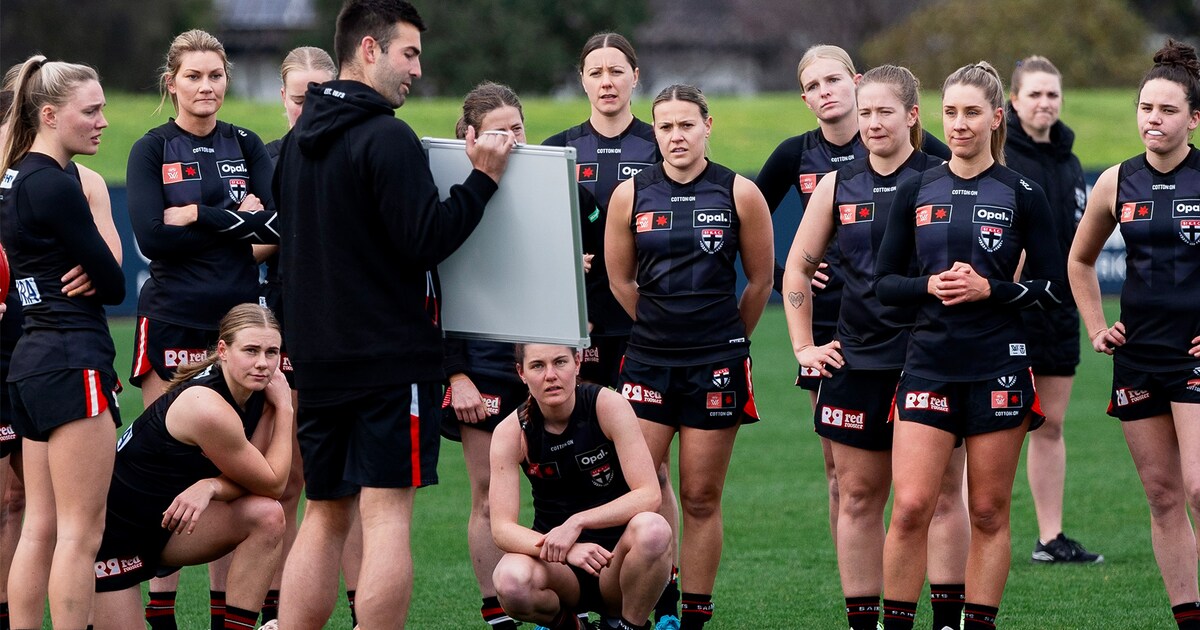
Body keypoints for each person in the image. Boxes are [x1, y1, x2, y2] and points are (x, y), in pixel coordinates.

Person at [272, 2, 514, 628]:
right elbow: (425, 239)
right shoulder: (386, 136)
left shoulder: (296, 143)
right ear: (370, 50)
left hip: (316, 361)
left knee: (324, 513)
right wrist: (483, 179)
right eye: (409, 54)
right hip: (388, 361)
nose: (417, 70)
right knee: (384, 517)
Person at [874, 61, 1065, 630]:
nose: (959, 124)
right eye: (950, 113)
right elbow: (884, 285)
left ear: (996, 118)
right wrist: (928, 285)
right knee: (911, 507)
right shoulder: (915, 188)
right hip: (928, 365)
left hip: (997, 368)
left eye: (972, 113)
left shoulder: (1022, 193)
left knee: (987, 511)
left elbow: (1053, 289)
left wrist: (991, 290)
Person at [782, 65, 971, 630]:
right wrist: (803, 346)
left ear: (912, 115)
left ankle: (947, 621)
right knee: (859, 497)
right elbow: (797, 268)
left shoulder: (943, 177)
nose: (872, 123)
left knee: (940, 497)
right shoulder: (837, 185)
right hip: (856, 359)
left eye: (885, 111)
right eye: (865, 112)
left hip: (931, 360)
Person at [756, 45, 951, 551]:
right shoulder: (806, 162)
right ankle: (862, 579)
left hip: (922, 336)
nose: (826, 92)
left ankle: (938, 590)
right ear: (804, 98)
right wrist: (782, 277)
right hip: (838, 331)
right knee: (846, 481)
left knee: (931, 491)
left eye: (833, 81)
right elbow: (751, 220)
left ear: (856, 81)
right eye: (813, 86)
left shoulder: (932, 163)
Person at [126, 29, 280, 630]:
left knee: (230, 471)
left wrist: (196, 214)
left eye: (215, 75)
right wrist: (233, 220)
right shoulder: (151, 148)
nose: (206, 86)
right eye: (193, 76)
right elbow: (152, 237)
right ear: (172, 83)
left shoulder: (246, 143)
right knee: (165, 462)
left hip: (237, 326)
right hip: (172, 319)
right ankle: (159, 609)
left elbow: (275, 228)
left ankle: (223, 614)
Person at [606, 84, 773, 630]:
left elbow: (760, 282)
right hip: (648, 362)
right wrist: (660, 327)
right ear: (654, 133)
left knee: (700, 496)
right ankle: (644, 603)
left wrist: (726, 338)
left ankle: (695, 615)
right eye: (665, 127)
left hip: (716, 364)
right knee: (640, 490)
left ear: (707, 126)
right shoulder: (631, 195)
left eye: (686, 125)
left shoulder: (740, 192)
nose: (676, 136)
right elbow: (620, 280)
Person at [543, 33, 681, 628]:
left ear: (635, 76)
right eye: (595, 71)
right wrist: (561, 270)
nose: (606, 81)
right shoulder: (557, 149)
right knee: (571, 463)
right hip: (572, 331)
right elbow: (533, 236)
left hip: (642, 328)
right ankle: (579, 588)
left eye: (616, 70)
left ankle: (661, 591)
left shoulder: (659, 144)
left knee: (652, 469)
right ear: (582, 79)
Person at [1067, 39, 1200, 630]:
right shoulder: (1116, 181)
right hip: (1139, 355)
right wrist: (1097, 327)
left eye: (1168, 110)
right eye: (1146, 108)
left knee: (1199, 487)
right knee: (1163, 497)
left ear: (1193, 119)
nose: (1154, 119)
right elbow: (1079, 261)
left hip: (1193, 354)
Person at [0, 55, 125, 629]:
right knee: (80, 533)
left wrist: (89, 270)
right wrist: (94, 272)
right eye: (91, 111)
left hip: (31, 362)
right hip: (72, 359)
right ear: (49, 115)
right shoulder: (54, 183)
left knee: (39, 528)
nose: (103, 121)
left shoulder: (13, 177)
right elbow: (115, 283)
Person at [91, 304, 291, 630]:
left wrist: (211, 486)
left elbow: (257, 480)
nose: (262, 363)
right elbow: (273, 483)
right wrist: (284, 409)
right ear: (223, 350)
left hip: (168, 523)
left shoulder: (251, 386)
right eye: (251, 350)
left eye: (272, 352)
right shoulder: (207, 406)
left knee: (267, 516)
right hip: (114, 535)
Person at [257, 46, 365, 627]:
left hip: (354, 333)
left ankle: (362, 610)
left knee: (357, 485)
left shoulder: (363, 150)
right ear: (283, 99)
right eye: (302, 97)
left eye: (323, 94)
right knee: (290, 479)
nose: (313, 106)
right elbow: (250, 243)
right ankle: (280, 611)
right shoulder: (267, 158)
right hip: (286, 329)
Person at [490, 344, 672, 630]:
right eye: (537, 366)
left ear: (577, 362)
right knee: (510, 580)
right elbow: (501, 529)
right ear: (521, 373)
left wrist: (577, 522)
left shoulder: (607, 405)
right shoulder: (510, 432)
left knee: (654, 530)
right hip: (559, 566)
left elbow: (649, 495)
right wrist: (568, 549)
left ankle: (626, 625)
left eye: (560, 362)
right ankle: (572, 626)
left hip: (617, 563)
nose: (550, 375)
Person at [1002, 55, 1104, 565]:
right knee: (999, 427)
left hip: (1059, 309)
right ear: (1013, 101)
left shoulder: (1069, 160)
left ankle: (1050, 538)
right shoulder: (1002, 157)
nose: (1045, 103)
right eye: (1035, 94)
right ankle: (982, 529)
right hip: (1011, 312)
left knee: (1051, 424)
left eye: (1052, 94)